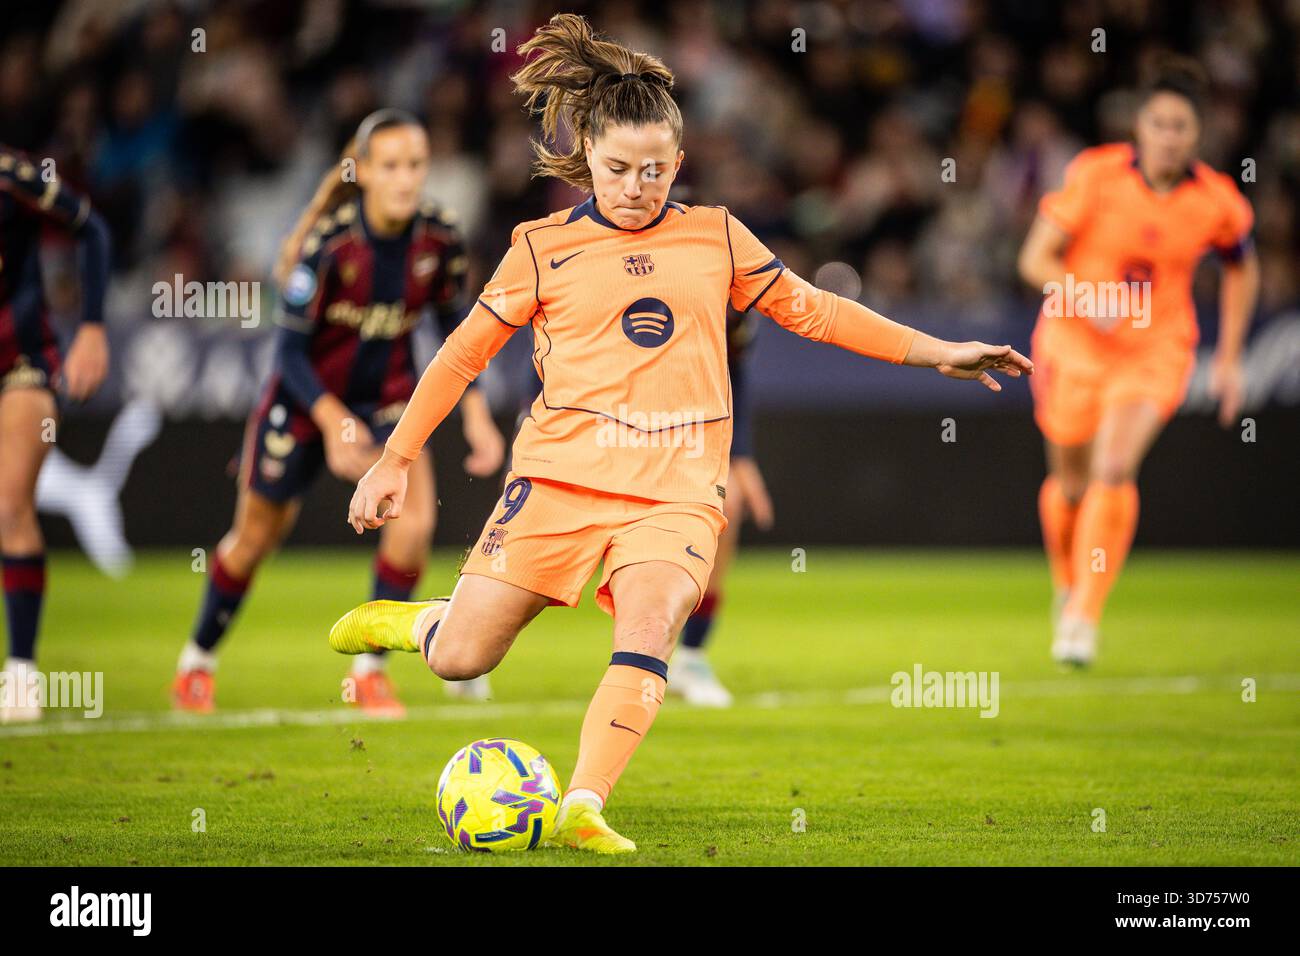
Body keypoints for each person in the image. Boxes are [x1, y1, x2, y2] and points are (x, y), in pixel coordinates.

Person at [328, 14, 1030, 852]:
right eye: (620, 169)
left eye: (655, 170)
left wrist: (937, 352)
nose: (636, 186)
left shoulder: (716, 236)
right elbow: (457, 356)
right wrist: (394, 461)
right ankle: (414, 623)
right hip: (559, 480)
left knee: (654, 619)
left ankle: (584, 801)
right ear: (587, 153)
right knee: (462, 660)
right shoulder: (540, 247)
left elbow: (814, 309)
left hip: (677, 487)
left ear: (679, 165)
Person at [171, 110, 504, 717]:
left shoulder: (440, 239)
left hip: (388, 401)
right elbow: (288, 353)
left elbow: (458, 329)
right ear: (367, 172)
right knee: (254, 539)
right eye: (393, 166)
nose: (406, 179)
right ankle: (197, 661)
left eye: (416, 166)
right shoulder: (329, 246)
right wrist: (330, 420)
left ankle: (369, 671)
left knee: (412, 526)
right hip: (302, 402)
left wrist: (476, 413)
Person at [1017, 58, 1258, 666]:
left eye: (1182, 125)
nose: (1169, 135)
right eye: (1159, 122)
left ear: (1197, 136)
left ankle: (1083, 617)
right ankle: (1068, 582)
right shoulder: (1096, 175)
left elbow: (1241, 266)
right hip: (1073, 341)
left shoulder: (1217, 201)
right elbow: (1035, 260)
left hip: (1155, 348)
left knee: (1115, 464)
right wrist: (1083, 298)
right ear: (1140, 128)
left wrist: (1228, 357)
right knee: (1071, 485)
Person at [0, 145, 111, 723]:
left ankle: (20, 673)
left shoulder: (14, 179)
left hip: (20, 360)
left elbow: (91, 228)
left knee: (8, 506)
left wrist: (91, 326)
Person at [668, 307, 773, 707]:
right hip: (612, 418)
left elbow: (735, 372)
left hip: (690, 426)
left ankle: (691, 655)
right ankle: (471, 630)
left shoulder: (736, 304)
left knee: (726, 506)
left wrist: (741, 456)